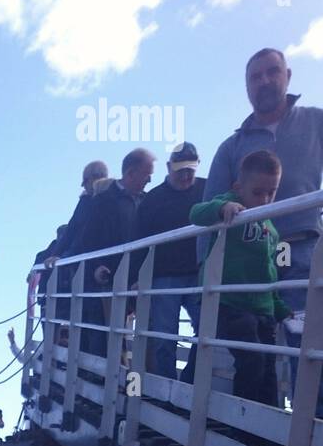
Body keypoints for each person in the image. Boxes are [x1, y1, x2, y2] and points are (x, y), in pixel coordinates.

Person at [205, 47, 323, 407]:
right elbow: (209, 211)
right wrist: (207, 277)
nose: (265, 81)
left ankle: (314, 430)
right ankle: (266, 426)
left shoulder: (316, 122)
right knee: (260, 350)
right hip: (254, 261)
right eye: (255, 77)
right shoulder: (232, 146)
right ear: (246, 86)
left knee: (311, 344)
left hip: (303, 250)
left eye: (272, 72)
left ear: (288, 76)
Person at [190, 148, 291, 407]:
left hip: (263, 308)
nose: (265, 199)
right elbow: (196, 213)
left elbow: (269, 268)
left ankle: (265, 425)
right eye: (258, 192)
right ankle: (244, 420)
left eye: (272, 192)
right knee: (252, 360)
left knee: (269, 366)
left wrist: (279, 306)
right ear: (238, 187)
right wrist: (224, 206)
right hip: (231, 302)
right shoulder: (231, 207)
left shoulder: (270, 227)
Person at [134, 144, 206, 381]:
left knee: (207, 330)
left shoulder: (207, 190)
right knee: (165, 336)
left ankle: (187, 383)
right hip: (164, 276)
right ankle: (166, 388)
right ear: (169, 167)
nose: (186, 175)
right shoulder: (153, 199)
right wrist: (136, 277)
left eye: (190, 170)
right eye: (180, 170)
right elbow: (139, 240)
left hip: (199, 274)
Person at [76, 149, 156, 356]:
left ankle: (131, 379)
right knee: (103, 333)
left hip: (134, 279)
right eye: (146, 174)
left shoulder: (146, 201)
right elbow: (86, 236)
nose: (149, 179)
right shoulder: (103, 200)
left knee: (133, 331)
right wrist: (97, 266)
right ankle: (101, 377)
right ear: (130, 173)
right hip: (107, 277)